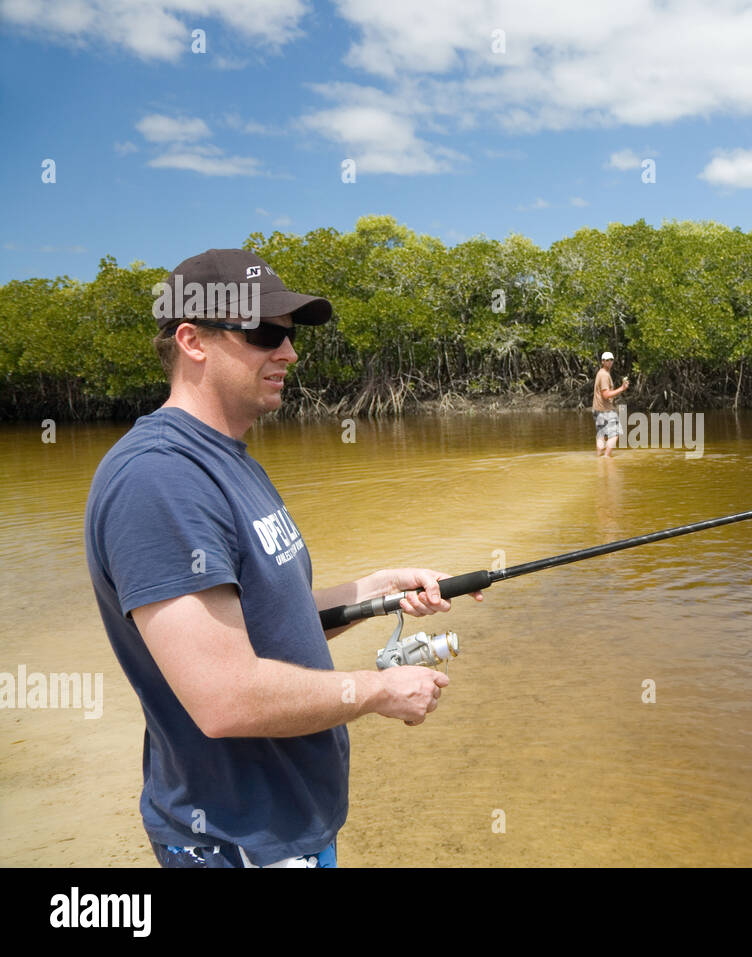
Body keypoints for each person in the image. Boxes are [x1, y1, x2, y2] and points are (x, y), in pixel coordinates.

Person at [84, 248, 479, 869]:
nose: (289, 352)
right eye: (267, 333)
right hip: (237, 840)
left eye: (290, 335)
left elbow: (268, 615)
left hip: (291, 825)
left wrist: (377, 588)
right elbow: (227, 697)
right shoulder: (159, 480)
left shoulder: (229, 458)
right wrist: (377, 690)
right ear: (193, 340)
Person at [592, 350, 629, 457]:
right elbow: (606, 395)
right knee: (615, 434)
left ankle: (599, 458)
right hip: (605, 410)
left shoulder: (602, 373)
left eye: (611, 360)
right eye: (607, 360)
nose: (610, 362)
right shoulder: (604, 375)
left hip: (597, 409)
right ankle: (606, 457)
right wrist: (622, 388)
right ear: (602, 361)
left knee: (601, 434)